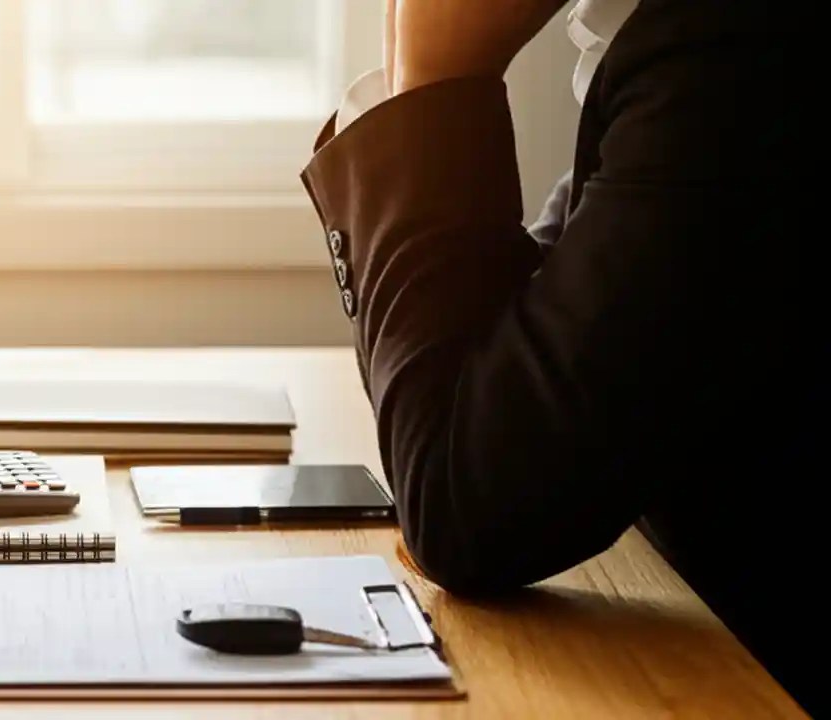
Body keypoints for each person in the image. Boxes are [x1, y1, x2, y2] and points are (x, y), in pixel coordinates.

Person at [300, 0, 813, 712]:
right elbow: (502, 357)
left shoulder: (729, 51)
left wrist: (435, 74)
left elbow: (467, 506)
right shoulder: (679, 44)